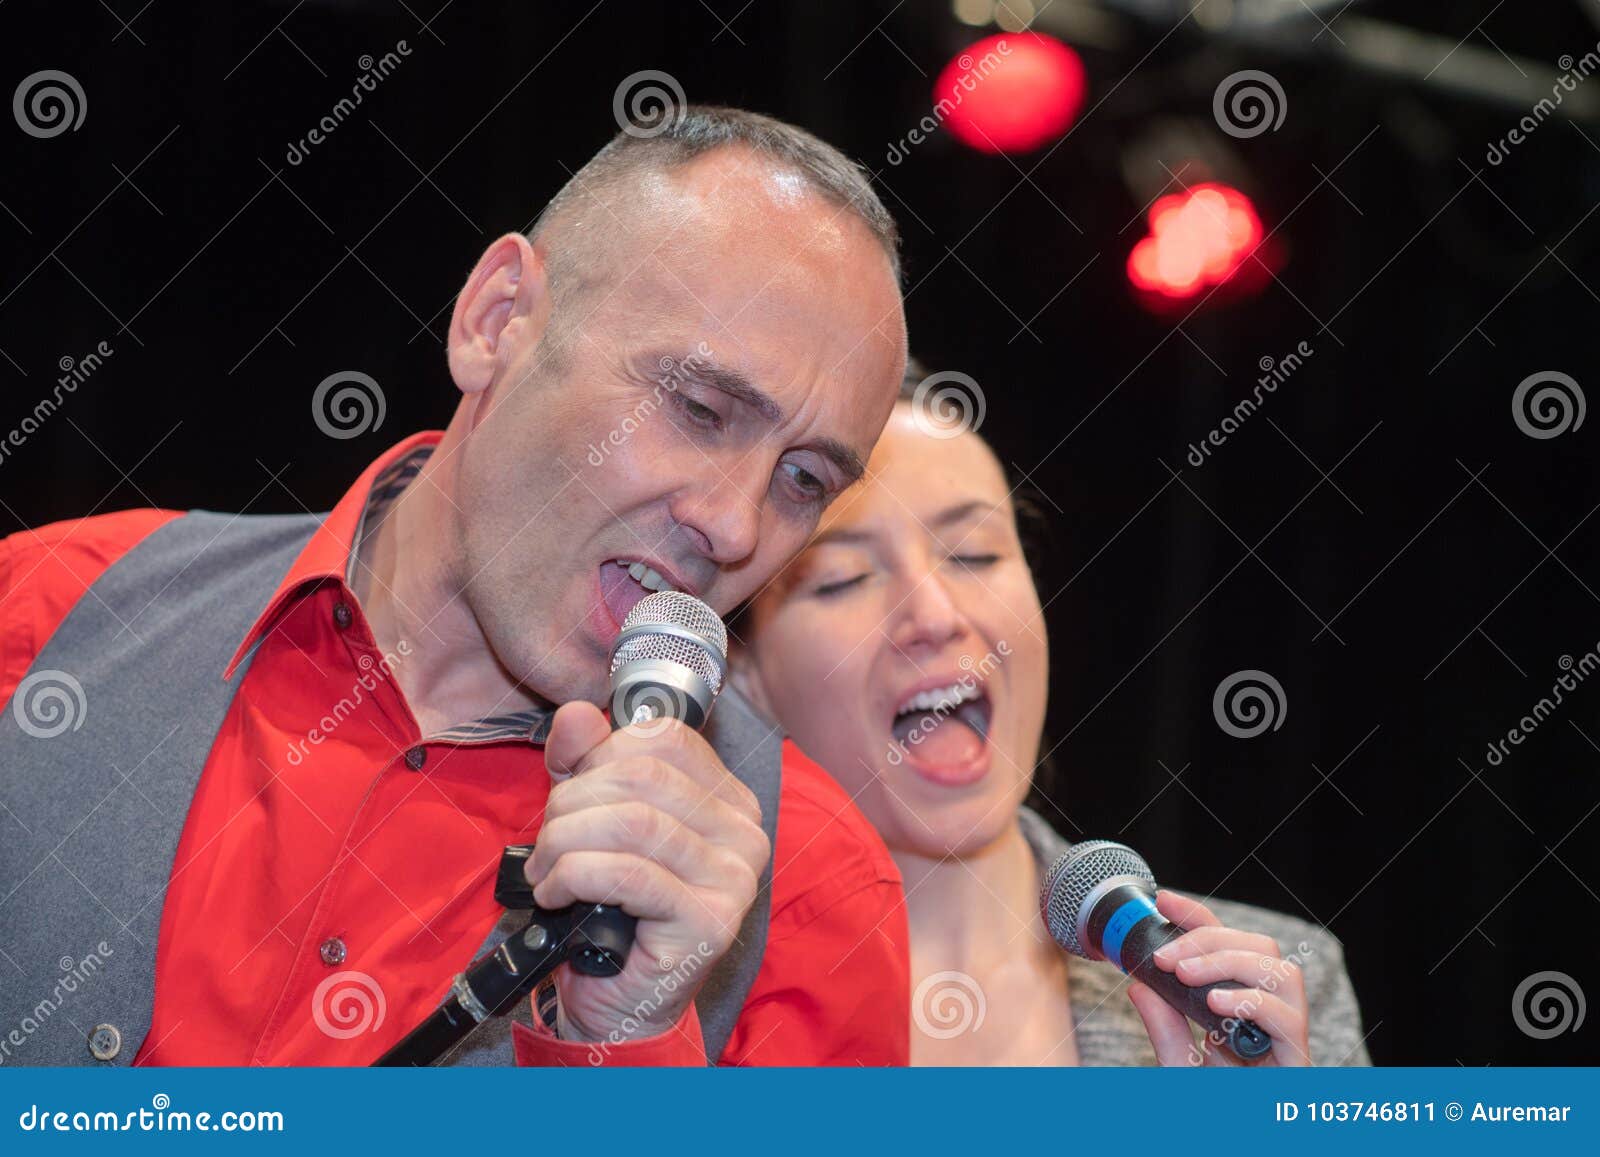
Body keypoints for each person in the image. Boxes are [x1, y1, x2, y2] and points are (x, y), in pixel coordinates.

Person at [0, 107, 911, 1067]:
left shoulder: (816, 900)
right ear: (497, 320)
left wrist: (628, 1041)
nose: (735, 526)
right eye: (697, 407)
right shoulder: (53, 611)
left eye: (804, 479)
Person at [732, 364, 1372, 1066]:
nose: (935, 616)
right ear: (744, 674)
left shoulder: (1258, 1000)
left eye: (974, 553)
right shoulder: (682, 993)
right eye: (842, 578)